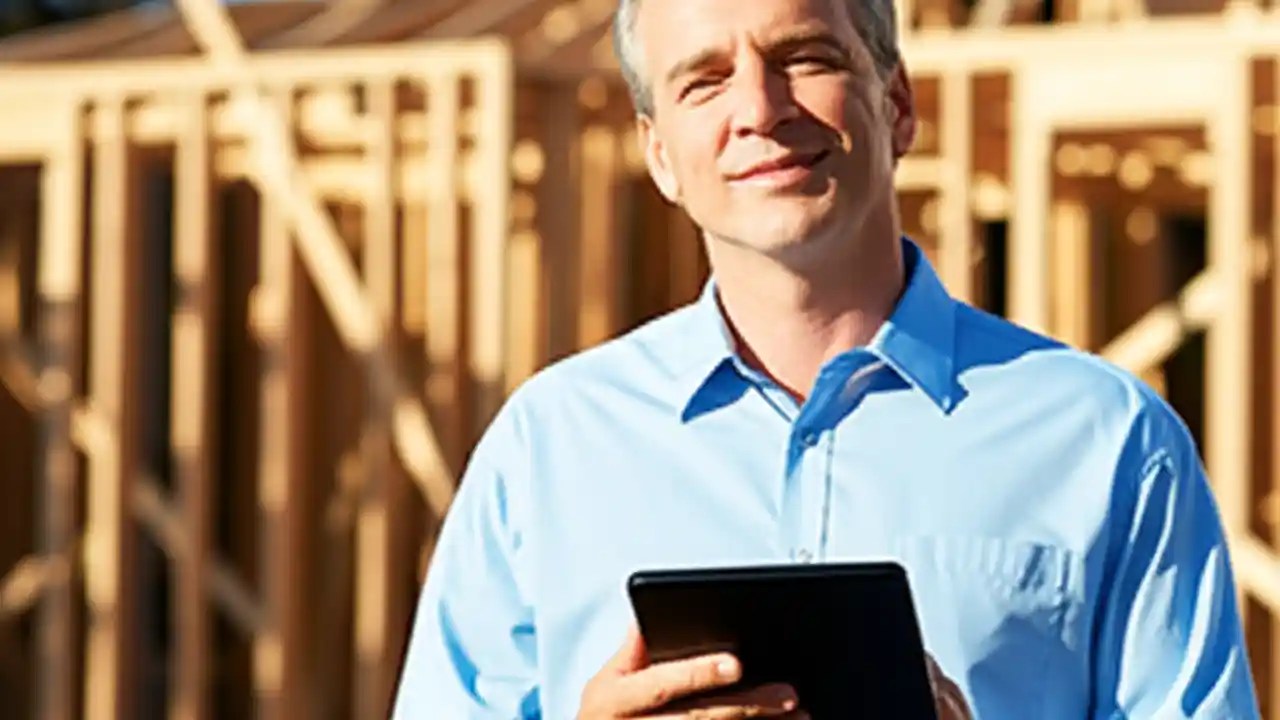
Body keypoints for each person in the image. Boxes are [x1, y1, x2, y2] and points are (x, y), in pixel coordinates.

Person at [390, 0, 1263, 716]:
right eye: (705, 81)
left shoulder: (1107, 440)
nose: (759, 110)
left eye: (805, 57)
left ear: (897, 105)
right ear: (660, 154)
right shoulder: (547, 450)